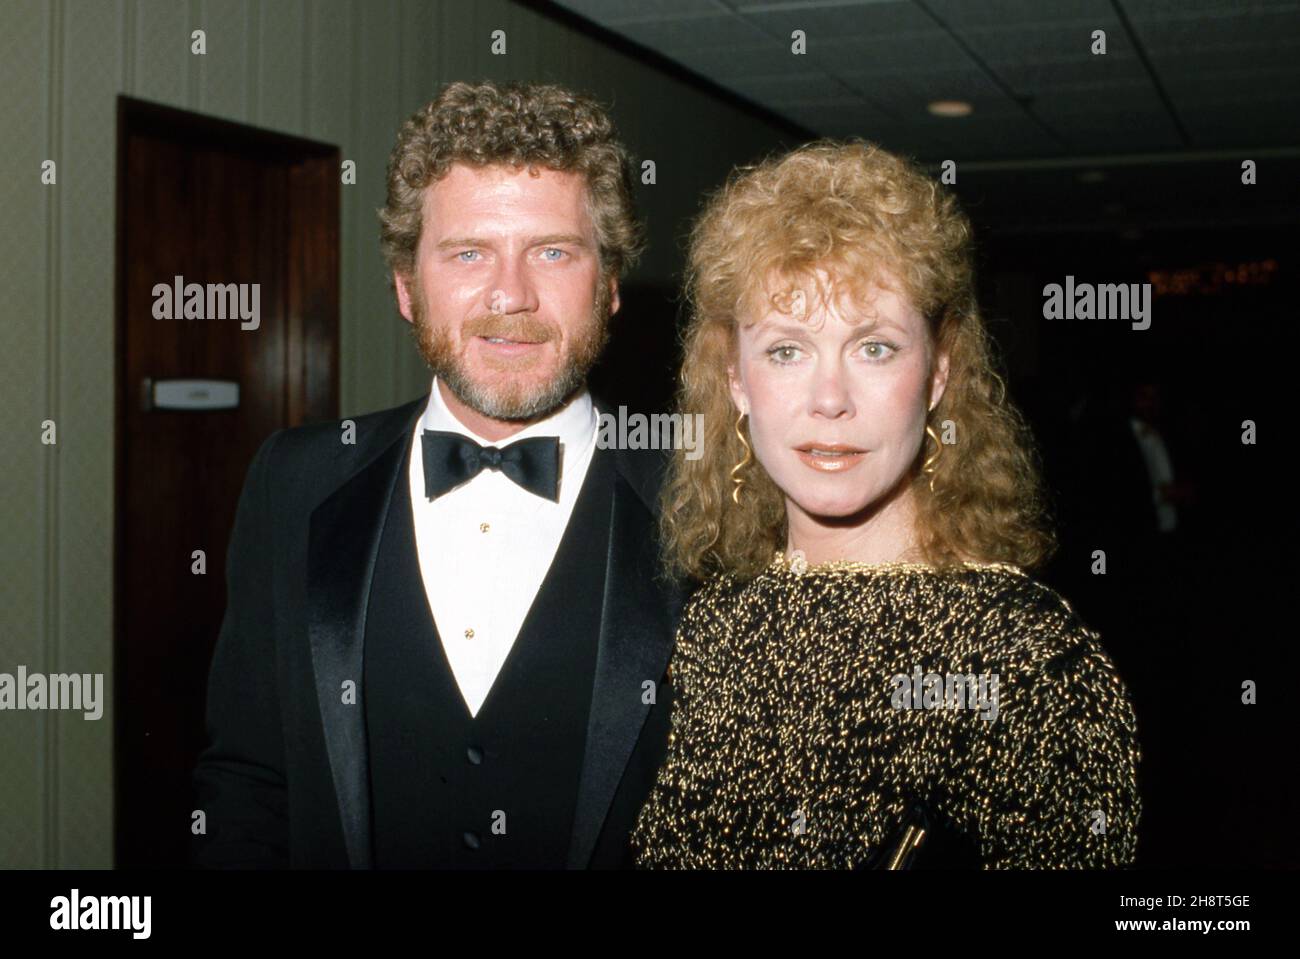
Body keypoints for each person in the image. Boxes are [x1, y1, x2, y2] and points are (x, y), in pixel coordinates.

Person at [191, 80, 683, 868]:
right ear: (406, 288)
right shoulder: (296, 481)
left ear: (611, 284)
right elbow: (249, 779)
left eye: (553, 252)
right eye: (468, 253)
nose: (511, 295)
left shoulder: (713, 506)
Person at [630, 140, 1142, 869]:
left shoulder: (1027, 662)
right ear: (736, 380)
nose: (830, 400)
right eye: (786, 350)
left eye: (874, 347)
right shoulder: (708, 628)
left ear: (937, 374)